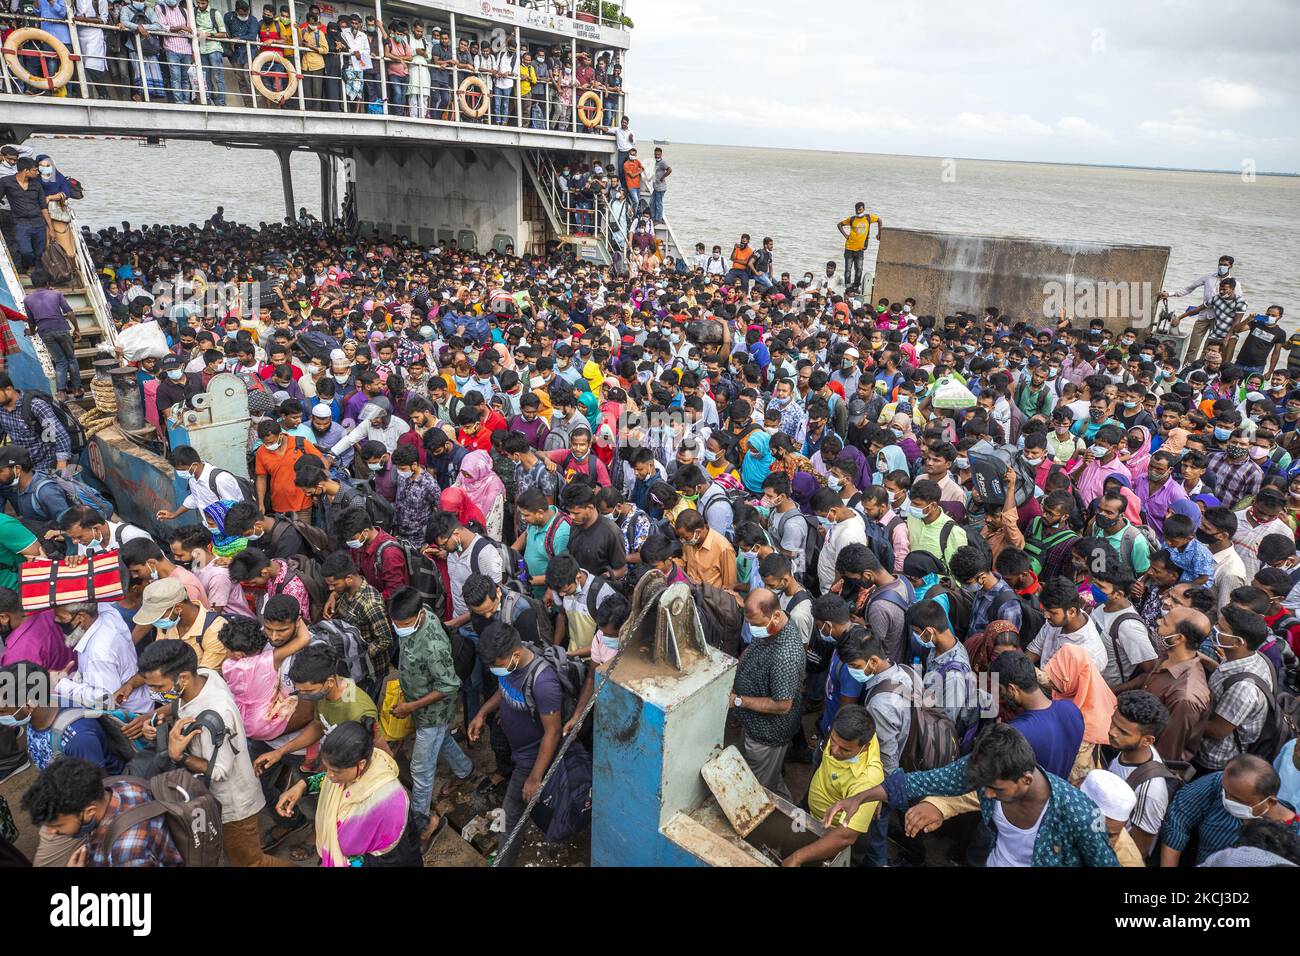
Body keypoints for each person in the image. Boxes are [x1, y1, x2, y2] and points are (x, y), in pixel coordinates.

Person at [823, 723, 1119, 867]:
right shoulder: (986, 769)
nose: (986, 794)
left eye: (995, 790)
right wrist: (861, 797)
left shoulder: (1079, 813)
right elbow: (926, 781)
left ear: (1025, 779)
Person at [135, 639, 291, 866]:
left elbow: (219, 771)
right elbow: (180, 704)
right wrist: (160, 717)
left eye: (158, 687)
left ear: (184, 678)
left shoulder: (216, 715)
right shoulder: (206, 675)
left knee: (251, 863)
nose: (154, 694)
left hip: (233, 804)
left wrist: (180, 755)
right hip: (212, 798)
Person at [466, 621, 564, 868]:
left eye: (496, 665)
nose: (494, 670)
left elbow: (552, 732)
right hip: (515, 748)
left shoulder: (543, 683)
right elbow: (503, 689)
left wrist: (534, 776)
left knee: (511, 817)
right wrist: (483, 712)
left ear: (516, 655)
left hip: (531, 758)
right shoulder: (509, 667)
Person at [275, 717, 422, 866]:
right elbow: (329, 781)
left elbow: (389, 860)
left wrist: (344, 862)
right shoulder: (352, 770)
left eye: (336, 771)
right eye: (328, 768)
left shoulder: (388, 803)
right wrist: (302, 786)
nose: (329, 776)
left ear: (361, 764)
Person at [20, 756, 183, 867]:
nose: (51, 832)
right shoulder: (119, 785)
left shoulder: (125, 854)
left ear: (89, 811)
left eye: (57, 825)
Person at [783, 705, 883, 867]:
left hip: (830, 832)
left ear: (864, 747)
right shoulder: (859, 727)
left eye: (844, 750)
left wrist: (797, 858)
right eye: (833, 740)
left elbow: (845, 836)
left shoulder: (867, 779)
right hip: (809, 807)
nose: (833, 751)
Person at [1159, 754, 1299, 866]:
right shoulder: (1221, 783)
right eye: (1225, 792)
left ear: (1270, 802)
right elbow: (1179, 817)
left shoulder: (1292, 838)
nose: (1226, 799)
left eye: (1238, 800)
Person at [733, 589, 804, 801]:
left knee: (759, 786)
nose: (753, 629)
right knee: (767, 773)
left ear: (775, 615)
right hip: (752, 723)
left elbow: (782, 705)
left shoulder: (786, 655)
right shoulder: (769, 626)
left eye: (756, 624)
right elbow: (753, 647)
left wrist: (737, 700)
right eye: (750, 623)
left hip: (767, 732)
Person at [22, 271, 82, 401]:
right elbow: (70, 313)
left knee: (60, 361)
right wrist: (76, 329)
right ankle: (77, 389)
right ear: (48, 282)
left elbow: (31, 322)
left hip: (45, 332)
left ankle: (61, 393)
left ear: (34, 284)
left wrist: (31, 332)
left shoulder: (27, 299)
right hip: (61, 328)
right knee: (71, 359)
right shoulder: (56, 294)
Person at [837, 201, 881, 294]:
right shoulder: (852, 219)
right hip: (849, 247)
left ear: (864, 209)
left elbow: (879, 220)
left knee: (859, 269)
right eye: (857, 209)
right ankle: (848, 287)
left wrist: (879, 233)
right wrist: (846, 235)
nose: (858, 211)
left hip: (860, 249)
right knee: (848, 269)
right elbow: (839, 224)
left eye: (860, 209)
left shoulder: (868, 218)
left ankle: (856, 286)